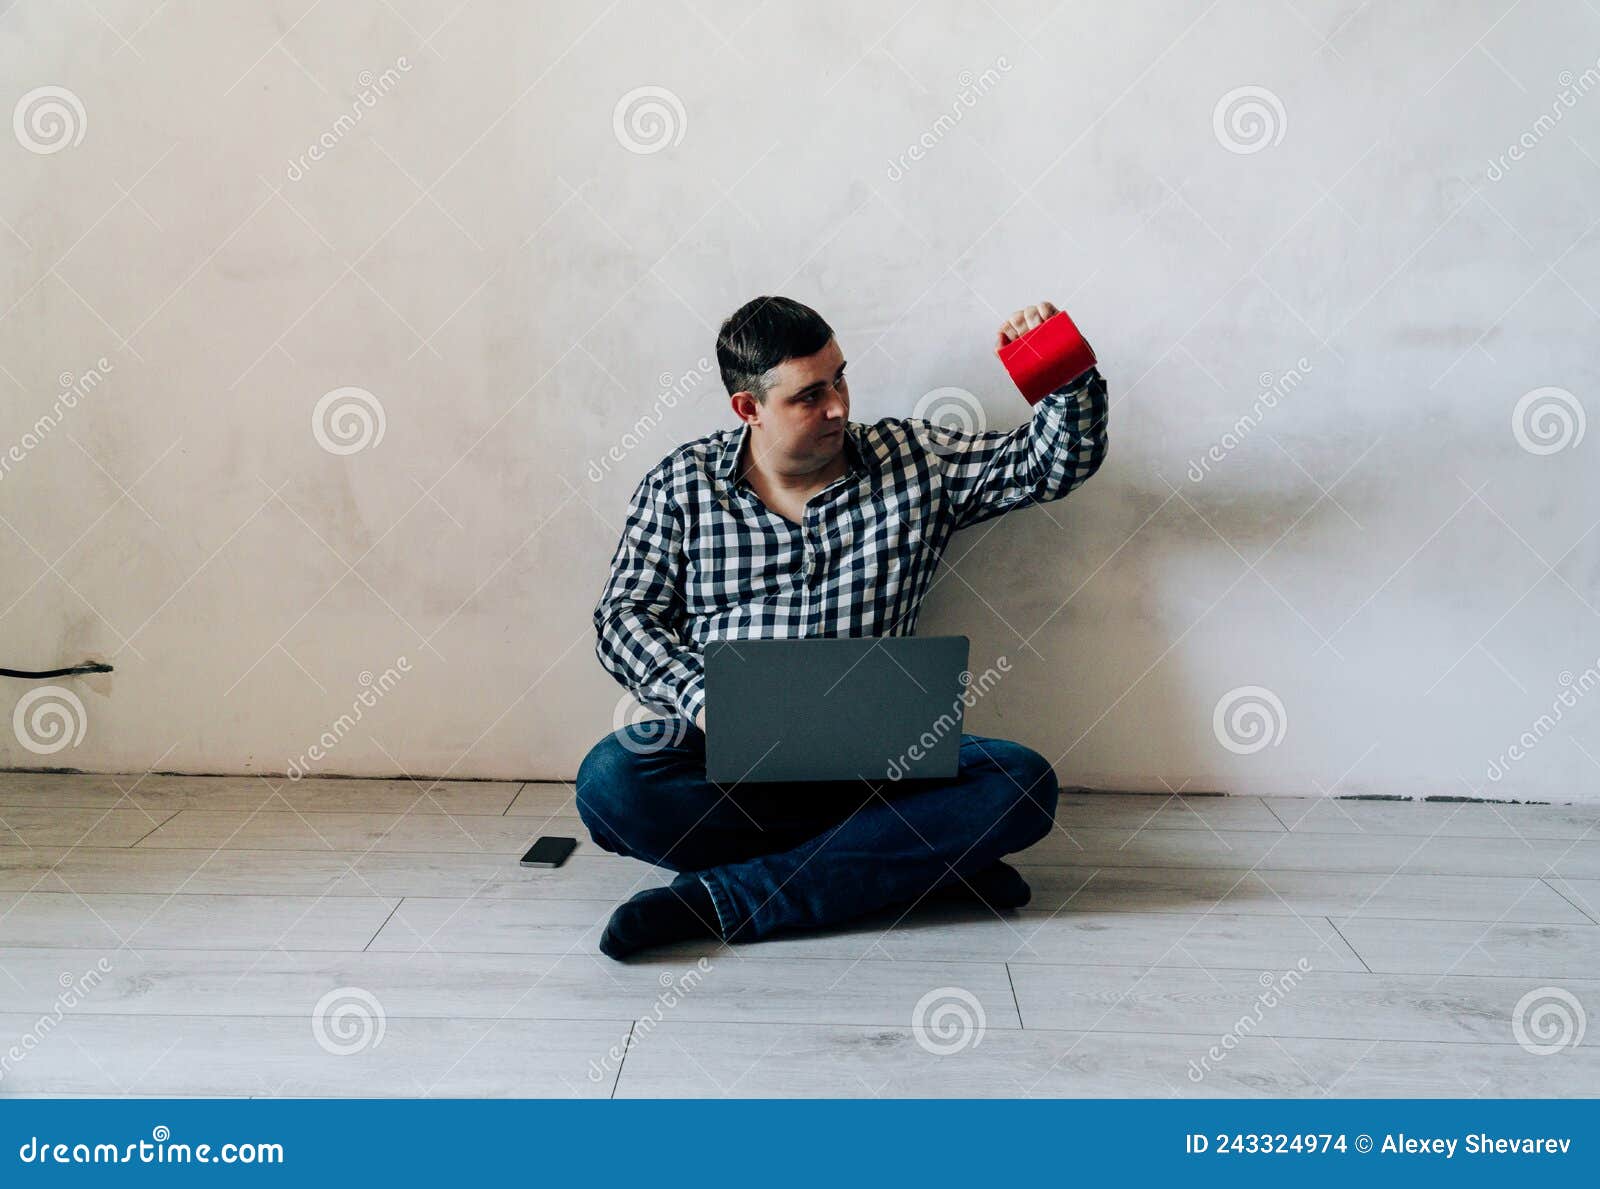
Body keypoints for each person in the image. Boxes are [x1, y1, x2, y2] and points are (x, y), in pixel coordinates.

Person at [579, 295, 1109, 959]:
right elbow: (623, 616)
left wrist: (1061, 374)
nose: (838, 406)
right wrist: (703, 697)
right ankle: (907, 865)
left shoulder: (916, 459)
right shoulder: (682, 484)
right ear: (748, 407)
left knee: (1020, 785)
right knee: (611, 781)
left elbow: (1049, 466)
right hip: (734, 763)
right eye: (809, 395)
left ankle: (723, 898)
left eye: (841, 378)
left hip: (883, 762)